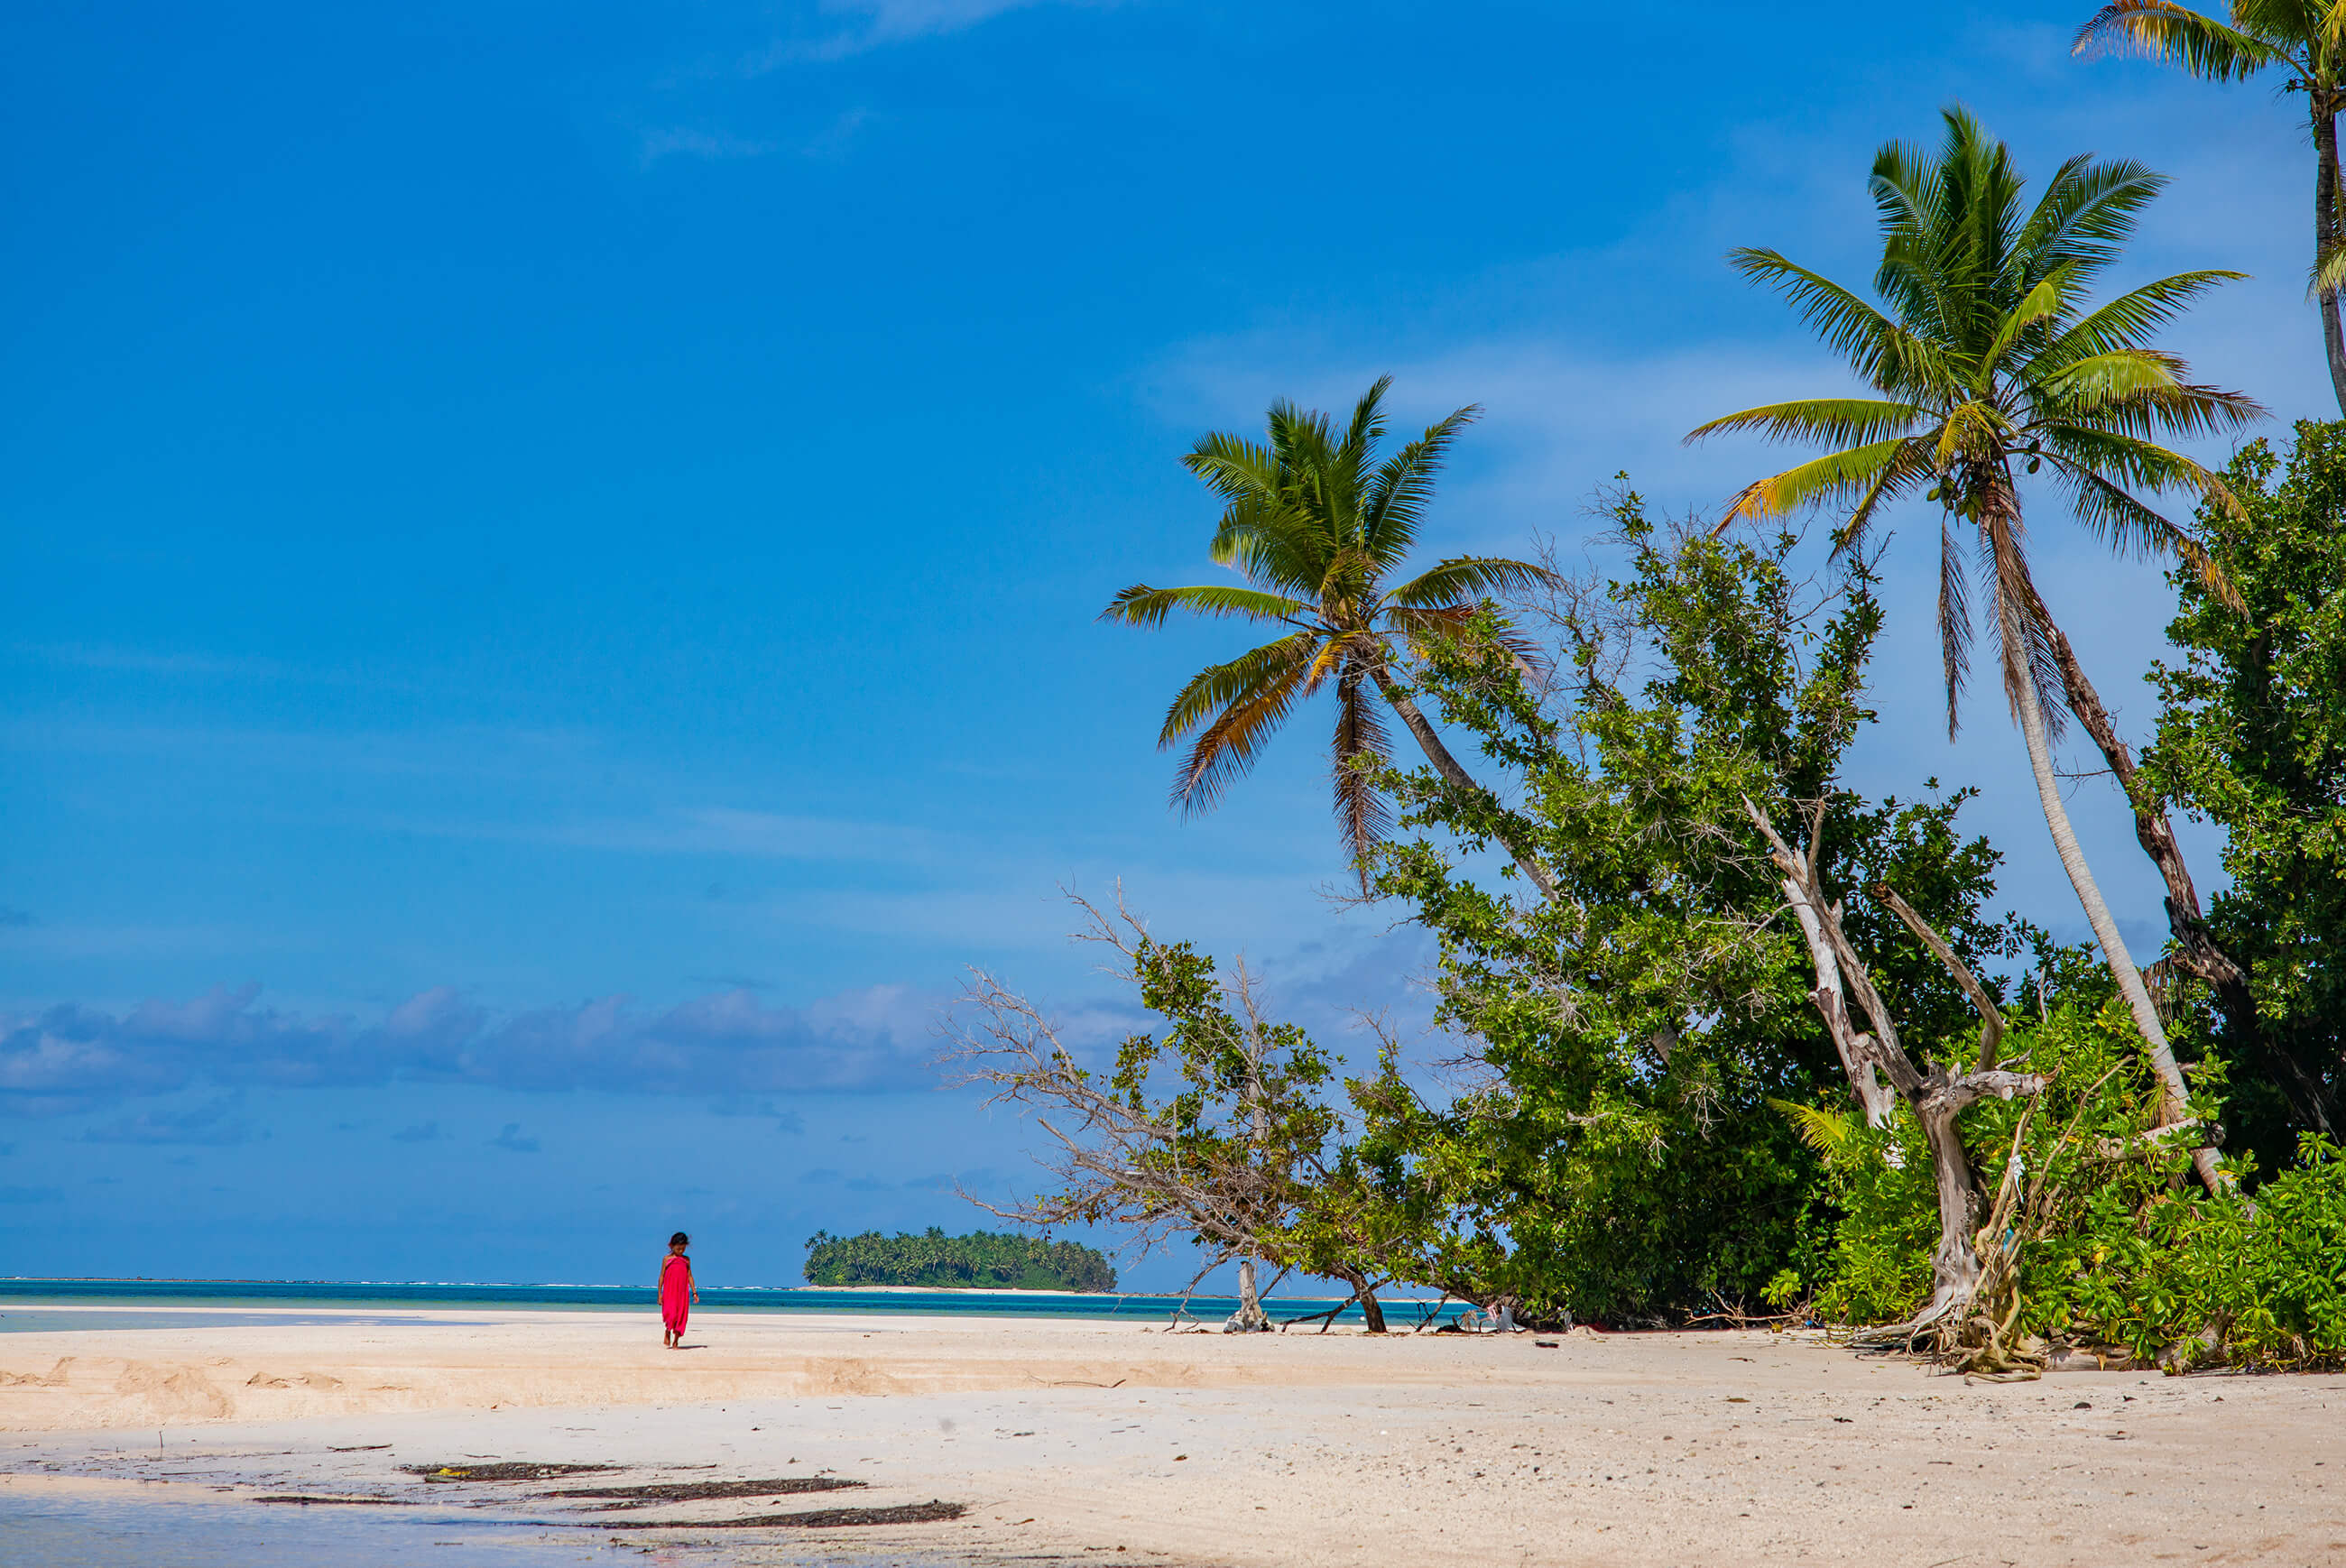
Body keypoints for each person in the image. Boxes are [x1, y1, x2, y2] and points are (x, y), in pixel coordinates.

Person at [659, 1231, 697, 1349]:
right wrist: (659, 1293)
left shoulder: (686, 1260)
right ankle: (667, 1330)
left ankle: (676, 1342)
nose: (681, 1251)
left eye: (683, 1249)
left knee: (681, 1317)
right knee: (671, 1314)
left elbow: (690, 1276)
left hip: (682, 1293)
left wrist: (694, 1292)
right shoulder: (667, 1259)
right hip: (669, 1292)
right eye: (679, 1248)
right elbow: (662, 1276)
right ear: (672, 1246)